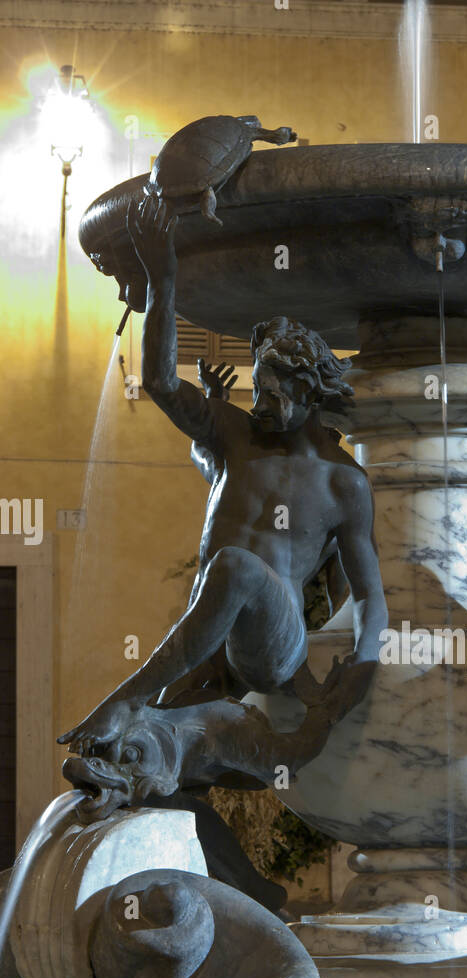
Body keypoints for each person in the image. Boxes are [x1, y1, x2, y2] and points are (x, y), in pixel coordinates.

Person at [61, 196, 387, 751]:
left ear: (309, 394)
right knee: (152, 754)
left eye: (272, 394)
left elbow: (370, 593)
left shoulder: (344, 483)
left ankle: (124, 697)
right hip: (209, 628)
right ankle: (143, 727)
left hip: (273, 647)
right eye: (256, 389)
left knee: (236, 566)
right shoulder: (236, 434)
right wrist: (163, 282)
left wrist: (362, 665)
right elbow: (162, 384)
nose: (257, 403)